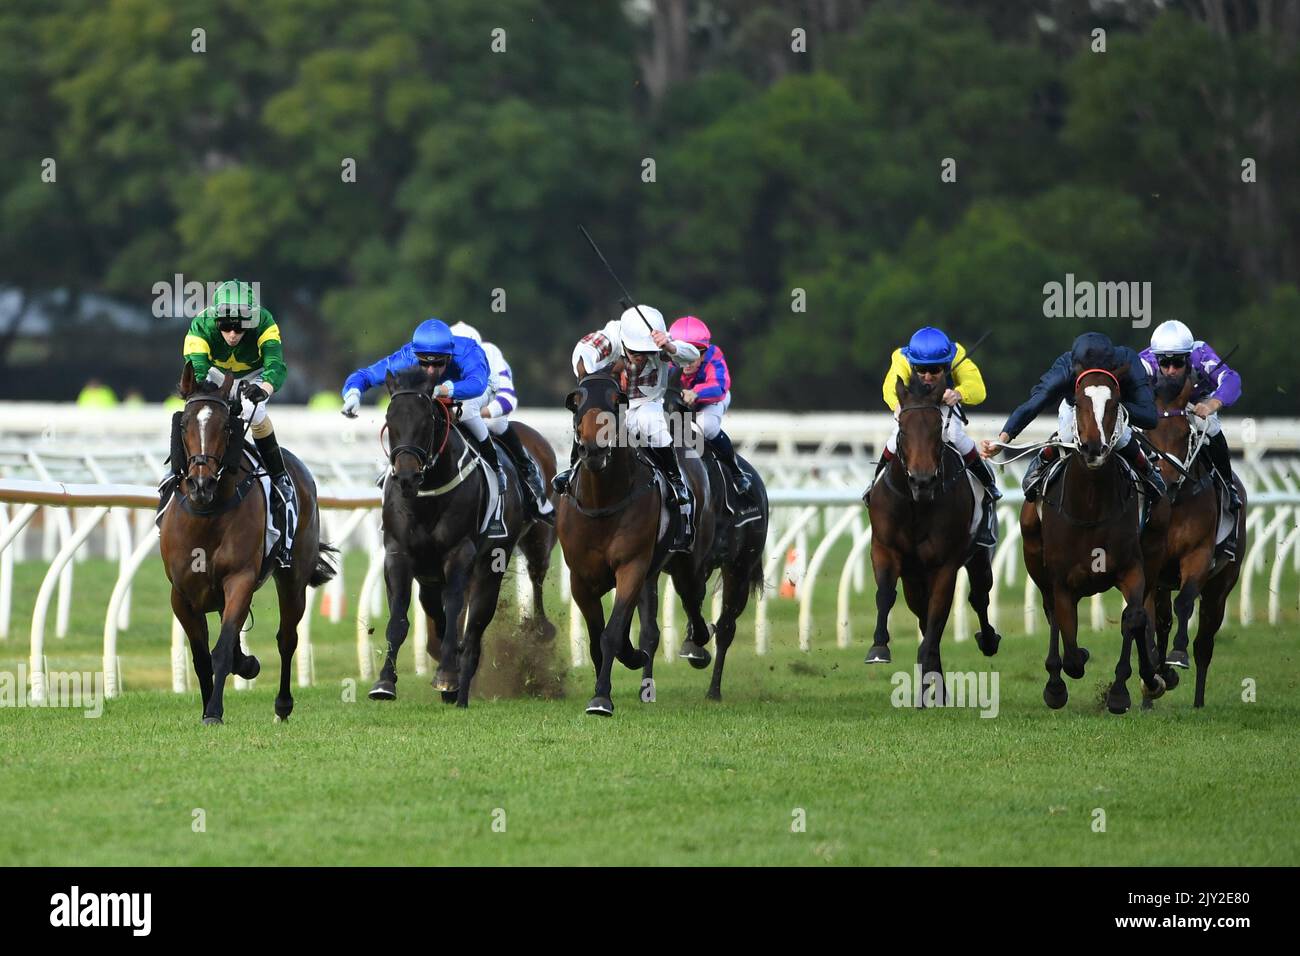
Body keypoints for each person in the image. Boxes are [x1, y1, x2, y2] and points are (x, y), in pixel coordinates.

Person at [164, 279, 295, 566]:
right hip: (214, 376)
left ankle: (279, 477)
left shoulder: (265, 322)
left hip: (254, 376)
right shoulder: (200, 326)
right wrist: (223, 393)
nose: (233, 334)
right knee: (195, 411)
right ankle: (174, 475)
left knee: (254, 412)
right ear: (215, 319)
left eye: (240, 327)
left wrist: (264, 389)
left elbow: (276, 365)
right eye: (226, 326)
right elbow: (198, 372)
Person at [340, 317, 508, 537]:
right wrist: (353, 393)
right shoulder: (407, 356)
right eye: (424, 363)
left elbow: (476, 384)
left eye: (438, 364)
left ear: (449, 356)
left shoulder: (467, 352)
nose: (430, 370)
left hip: (478, 388)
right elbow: (366, 375)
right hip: (438, 391)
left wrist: (443, 390)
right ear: (415, 356)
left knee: (467, 412)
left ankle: (495, 467)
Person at [553, 304, 701, 552]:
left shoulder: (659, 343)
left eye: (647, 352)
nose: (642, 357)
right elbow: (583, 352)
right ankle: (571, 471)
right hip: (613, 406)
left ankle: (676, 482)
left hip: (646, 404)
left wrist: (669, 346)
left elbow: (691, 355)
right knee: (591, 429)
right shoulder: (612, 336)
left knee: (657, 431)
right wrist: (595, 376)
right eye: (636, 351)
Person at [979, 331, 1166, 502]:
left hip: (1112, 409)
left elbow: (1149, 417)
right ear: (1076, 367)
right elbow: (1033, 405)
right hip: (1076, 407)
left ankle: (1148, 471)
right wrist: (1002, 440)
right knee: (1067, 435)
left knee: (1122, 438)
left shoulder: (1126, 360)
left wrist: (1109, 405)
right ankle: (1041, 463)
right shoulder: (1065, 368)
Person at [868, 327, 1001, 542]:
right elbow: (890, 387)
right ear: (912, 363)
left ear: (946, 362)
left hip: (944, 407)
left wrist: (959, 393)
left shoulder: (957, 352)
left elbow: (978, 389)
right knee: (895, 439)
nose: (928, 377)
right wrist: (898, 405)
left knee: (956, 436)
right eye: (921, 370)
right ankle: (873, 485)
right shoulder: (901, 356)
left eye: (935, 370)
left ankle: (988, 488)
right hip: (914, 409)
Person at [1140, 319, 1243, 540]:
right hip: (1160, 405)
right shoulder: (1145, 362)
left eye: (1177, 363)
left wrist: (1212, 404)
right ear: (1156, 359)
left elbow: (1232, 379)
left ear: (1187, 358)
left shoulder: (1201, 354)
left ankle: (1227, 485)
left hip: (1196, 402)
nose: (1170, 370)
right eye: (1165, 364)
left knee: (1211, 426)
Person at [448, 321, 554, 524]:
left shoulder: (490, 355)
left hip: (487, 404)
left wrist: (478, 412)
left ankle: (529, 476)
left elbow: (507, 400)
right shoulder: (440, 359)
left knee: (495, 423)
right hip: (457, 408)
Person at [667, 315, 751, 496]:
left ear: (705, 351)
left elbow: (718, 386)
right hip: (680, 402)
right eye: (683, 352)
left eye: (696, 352)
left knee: (706, 426)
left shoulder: (714, 355)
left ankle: (736, 472)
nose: (688, 361)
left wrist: (696, 393)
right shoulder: (666, 361)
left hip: (711, 400)